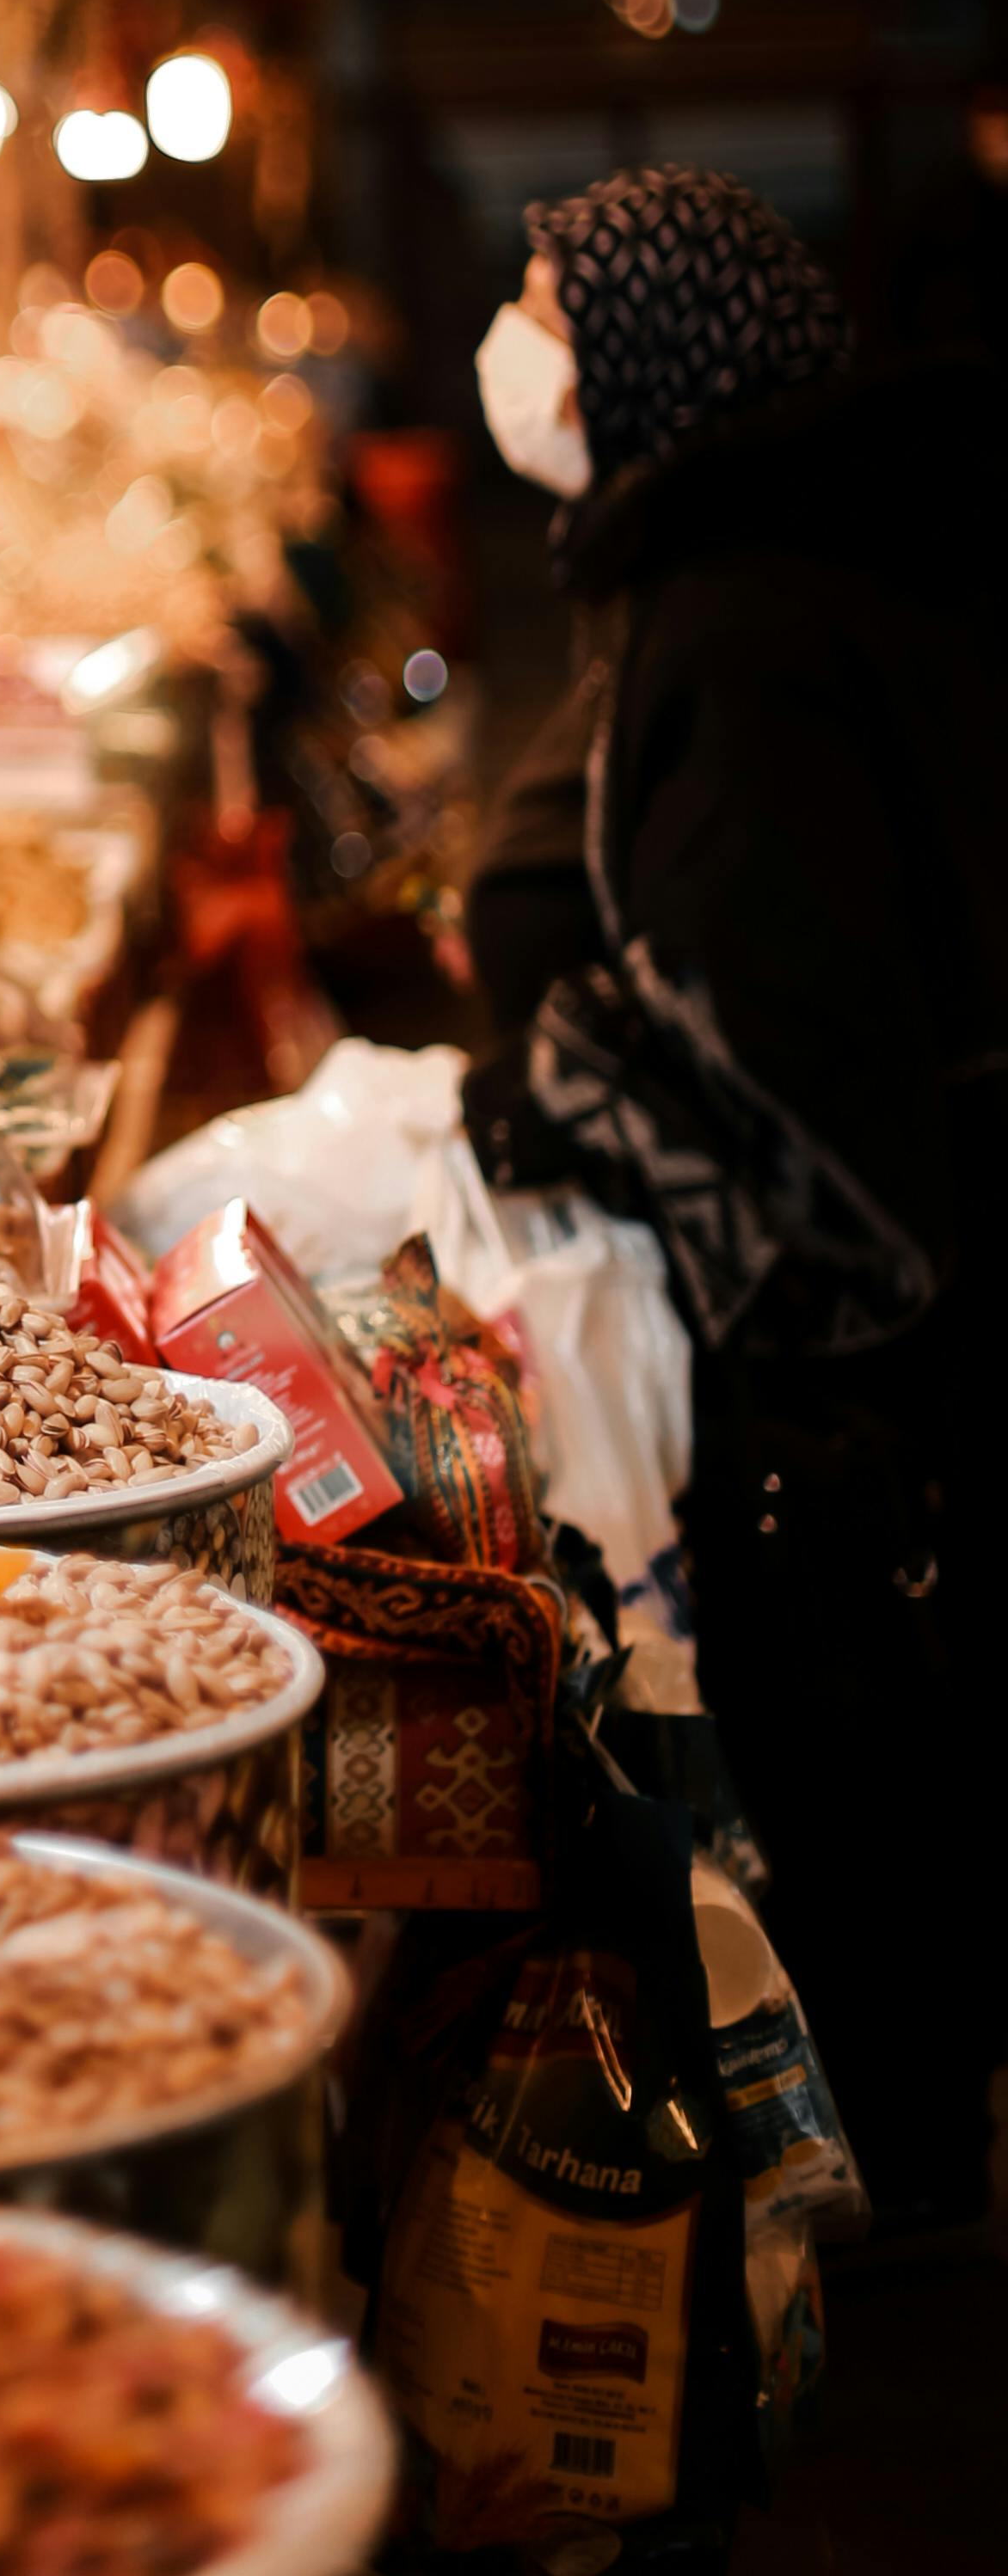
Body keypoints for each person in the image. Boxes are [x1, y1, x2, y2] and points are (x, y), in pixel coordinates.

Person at [459, 163, 1008, 2228]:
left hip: (856, 1336)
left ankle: (896, 2199)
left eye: (543, 308)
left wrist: (559, 1089)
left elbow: (790, 1036)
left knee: (866, 1738)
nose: (515, 348)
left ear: (643, 358)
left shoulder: (744, 615)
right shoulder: (784, 560)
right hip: (906, 1296)